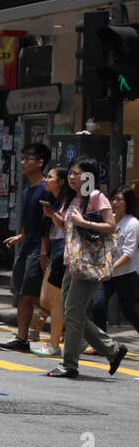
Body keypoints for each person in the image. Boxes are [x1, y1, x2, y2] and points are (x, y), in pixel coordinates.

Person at [44, 157, 128, 378]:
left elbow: (111, 227)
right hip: (71, 262)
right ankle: (113, 349)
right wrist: (54, 216)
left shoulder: (96, 198)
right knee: (70, 312)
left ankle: (69, 364)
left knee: (72, 313)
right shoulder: (70, 197)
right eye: (70, 173)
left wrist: (85, 223)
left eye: (78, 173)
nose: (72, 177)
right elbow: (65, 226)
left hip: (89, 263)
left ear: (90, 176)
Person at [0, 143, 50, 353]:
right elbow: (30, 222)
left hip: (39, 249)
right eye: (23, 158)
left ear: (40, 163)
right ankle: (22, 338)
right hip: (27, 246)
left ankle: (70, 323)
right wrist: (20, 236)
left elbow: (47, 223)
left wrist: (45, 251)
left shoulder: (46, 189)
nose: (23, 162)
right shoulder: (28, 191)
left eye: (28, 159)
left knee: (32, 294)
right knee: (21, 294)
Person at [30, 166, 69, 357]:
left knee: (55, 302)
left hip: (64, 249)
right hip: (55, 249)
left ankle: (54, 343)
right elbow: (46, 229)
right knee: (46, 300)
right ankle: (83, 336)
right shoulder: (53, 201)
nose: (46, 179)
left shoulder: (69, 201)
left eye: (50, 177)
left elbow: (65, 225)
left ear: (61, 182)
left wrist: (54, 214)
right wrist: (44, 251)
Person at [90, 186, 139, 337]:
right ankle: (102, 342)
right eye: (113, 198)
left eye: (119, 199)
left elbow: (129, 253)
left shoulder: (133, 224)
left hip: (126, 273)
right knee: (98, 304)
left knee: (128, 310)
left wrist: (111, 267)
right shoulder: (107, 219)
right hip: (106, 272)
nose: (115, 202)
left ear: (128, 202)